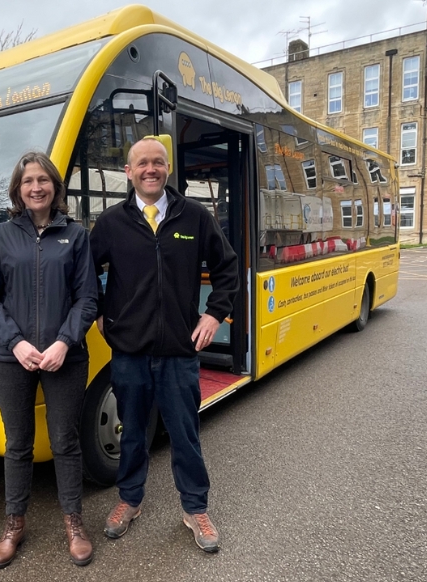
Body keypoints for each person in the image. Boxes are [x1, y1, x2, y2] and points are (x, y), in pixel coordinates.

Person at [89, 137, 239, 553]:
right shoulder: (111, 223)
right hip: (130, 351)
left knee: (185, 434)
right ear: (129, 172)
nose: (150, 169)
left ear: (167, 169)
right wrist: (101, 313)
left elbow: (227, 268)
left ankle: (195, 508)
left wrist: (214, 314)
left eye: (158, 163)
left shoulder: (194, 217)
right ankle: (129, 500)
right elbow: (84, 274)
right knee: (132, 432)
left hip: (178, 350)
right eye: (142, 163)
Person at [0, 152, 98, 568]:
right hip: (12, 359)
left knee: (65, 441)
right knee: (17, 445)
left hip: (66, 356)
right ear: (18, 188)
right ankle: (14, 523)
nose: (36, 187)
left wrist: (65, 342)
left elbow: (88, 298)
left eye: (43, 180)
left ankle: (74, 522)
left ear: (54, 186)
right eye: (28, 180)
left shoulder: (76, 235)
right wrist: (15, 343)